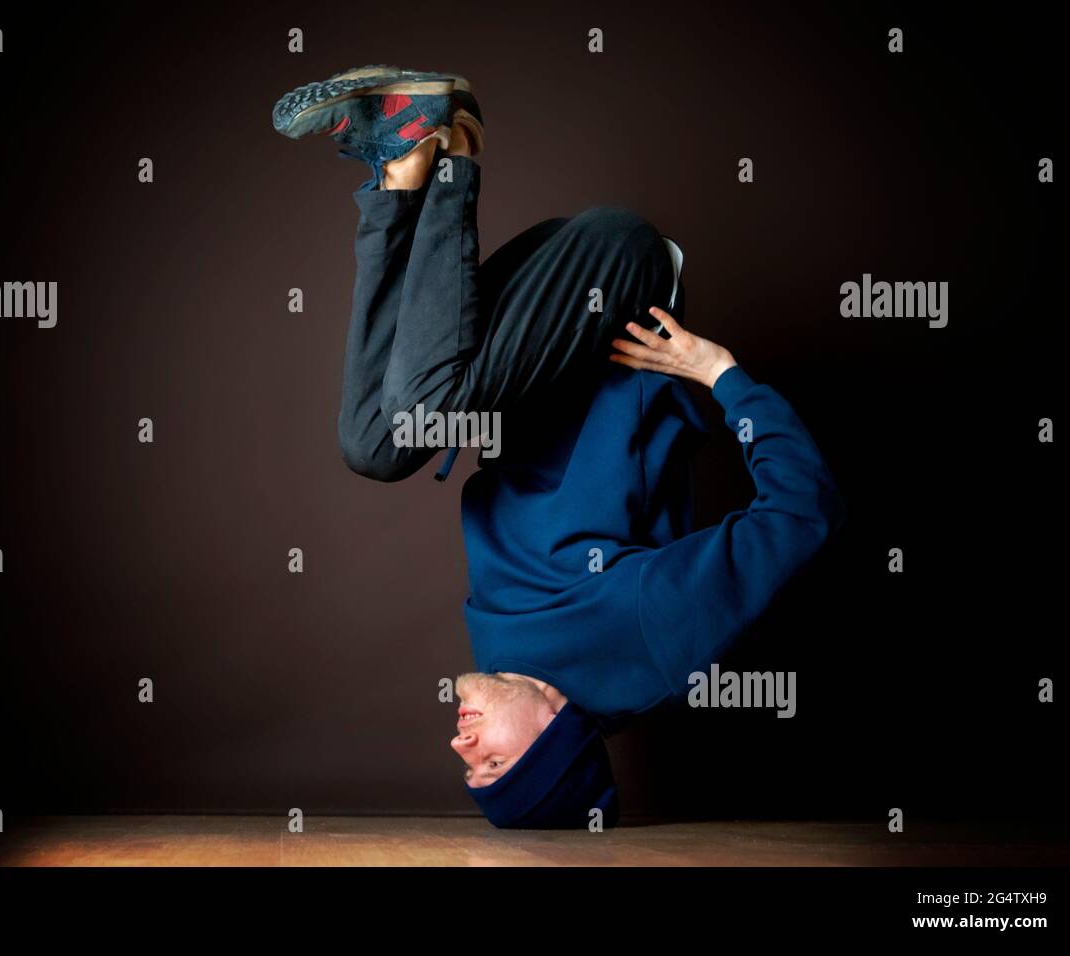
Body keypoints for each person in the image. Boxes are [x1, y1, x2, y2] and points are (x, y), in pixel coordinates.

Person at [273, 65, 846, 829]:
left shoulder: (506, 657)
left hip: (537, 339)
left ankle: (405, 167)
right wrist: (721, 374)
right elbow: (805, 514)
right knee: (423, 413)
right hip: (615, 288)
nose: (462, 746)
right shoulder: (651, 647)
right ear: (555, 735)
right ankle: (446, 154)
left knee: (374, 446)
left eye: (469, 768)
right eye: (494, 762)